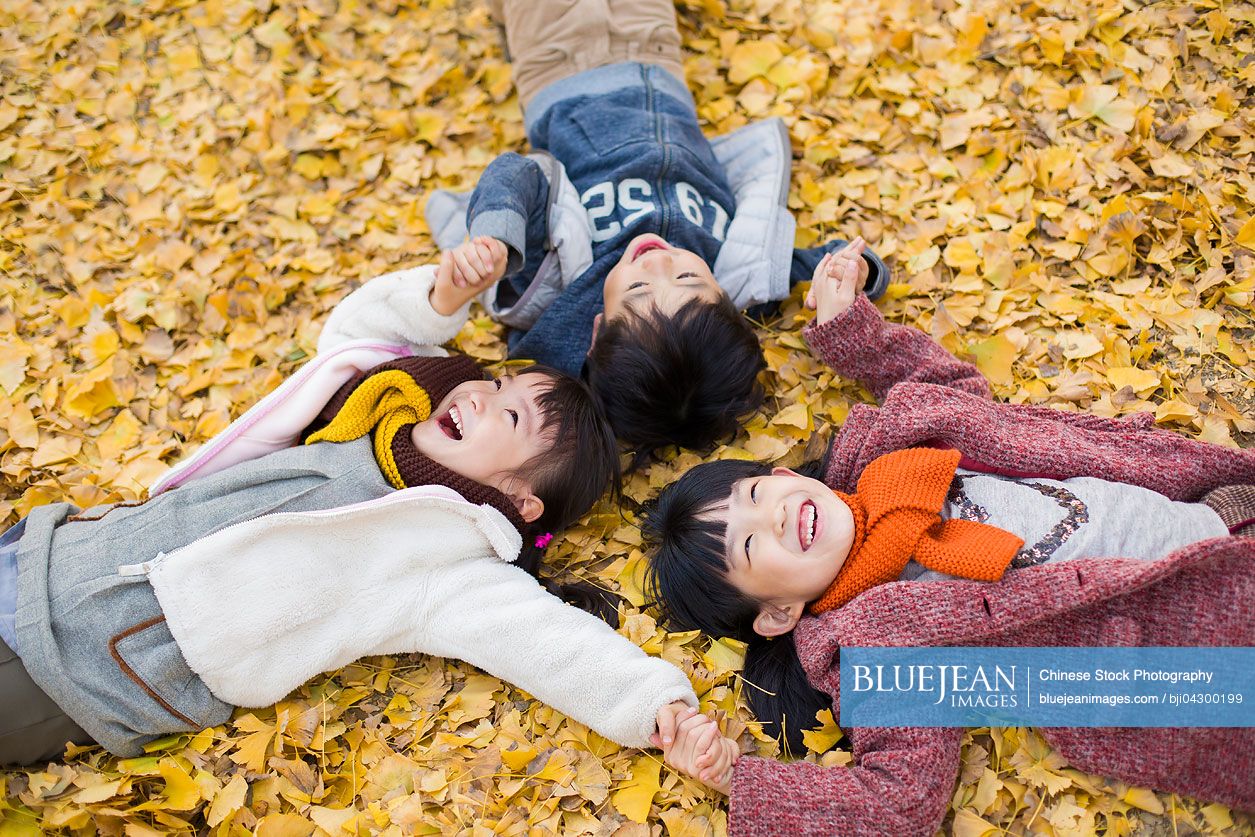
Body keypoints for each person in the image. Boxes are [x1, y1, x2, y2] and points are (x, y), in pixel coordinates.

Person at [0, 257, 723, 770]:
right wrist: (441, 293)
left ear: (520, 497)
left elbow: (545, 640)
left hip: (95, 670)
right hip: (57, 556)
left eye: (506, 413)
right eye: (497, 382)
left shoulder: (449, 558)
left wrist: (652, 701)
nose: (478, 395)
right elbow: (359, 334)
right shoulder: (375, 410)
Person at [641, 245, 1255, 833]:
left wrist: (851, 331)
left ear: (779, 477)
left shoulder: (885, 455)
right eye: (751, 547)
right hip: (1202, 640)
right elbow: (897, 804)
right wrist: (736, 780)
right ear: (778, 614)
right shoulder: (876, 648)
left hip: (1216, 508)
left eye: (754, 497)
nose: (772, 518)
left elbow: (952, 393)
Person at [424, 0, 889, 463]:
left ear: (598, 328)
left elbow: (516, 173)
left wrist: (498, 237)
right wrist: (858, 274)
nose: (659, 260)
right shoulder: (738, 270)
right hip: (656, 57)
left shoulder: (565, 271)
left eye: (640, 287)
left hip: (560, 65)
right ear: (726, 299)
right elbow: (825, 264)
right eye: (689, 279)